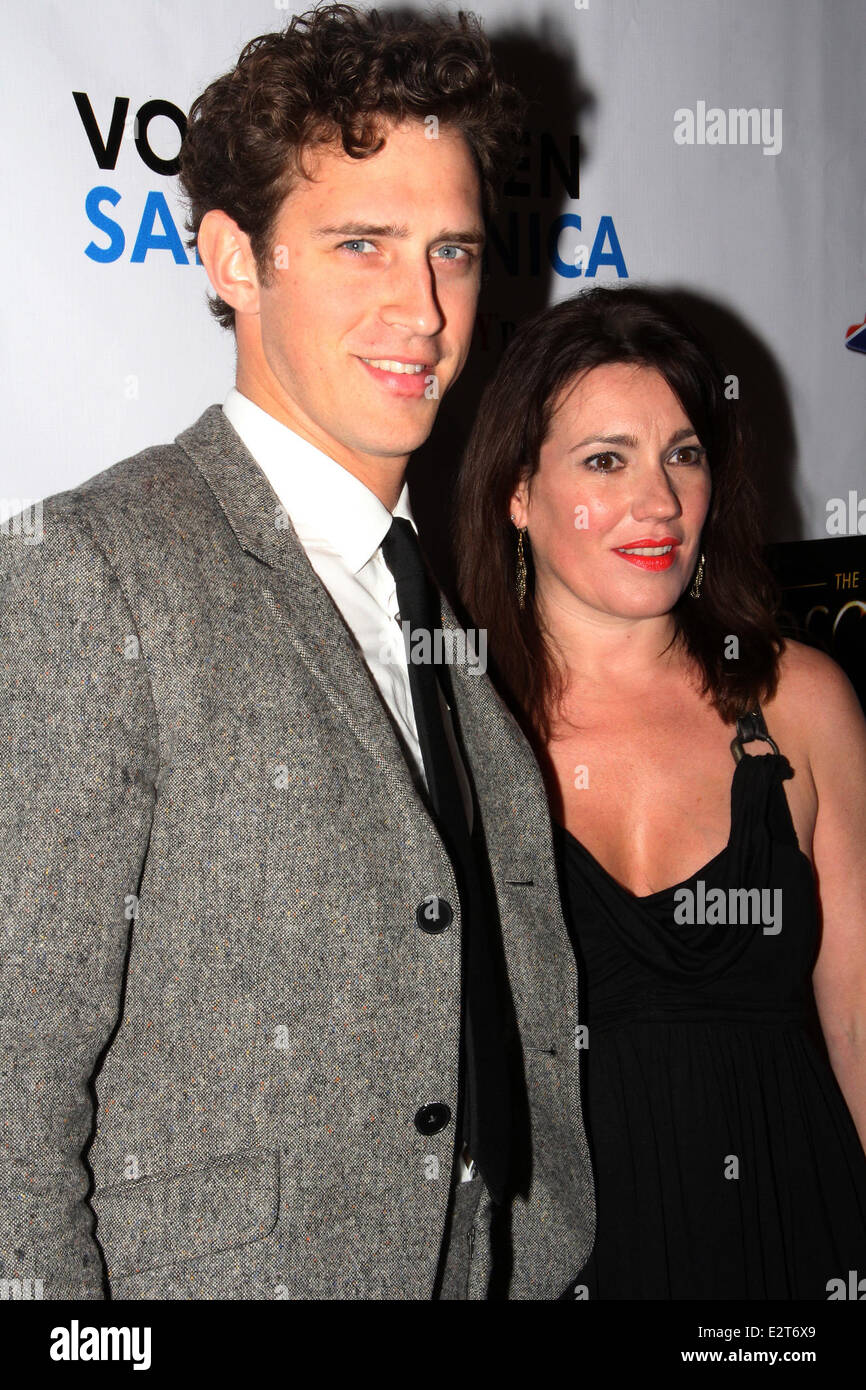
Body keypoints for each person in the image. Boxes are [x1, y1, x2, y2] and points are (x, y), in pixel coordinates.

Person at [0, 6, 595, 1300]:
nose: (422, 306)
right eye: (359, 245)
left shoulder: (432, 590)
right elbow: (8, 1094)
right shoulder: (90, 568)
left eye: (450, 249)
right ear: (233, 258)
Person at [455, 283, 866, 1299]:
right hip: (555, 1263)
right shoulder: (452, 730)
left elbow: (860, 1023)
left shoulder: (800, 700)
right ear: (517, 490)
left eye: (682, 454)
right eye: (605, 460)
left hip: (797, 1237)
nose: (658, 501)